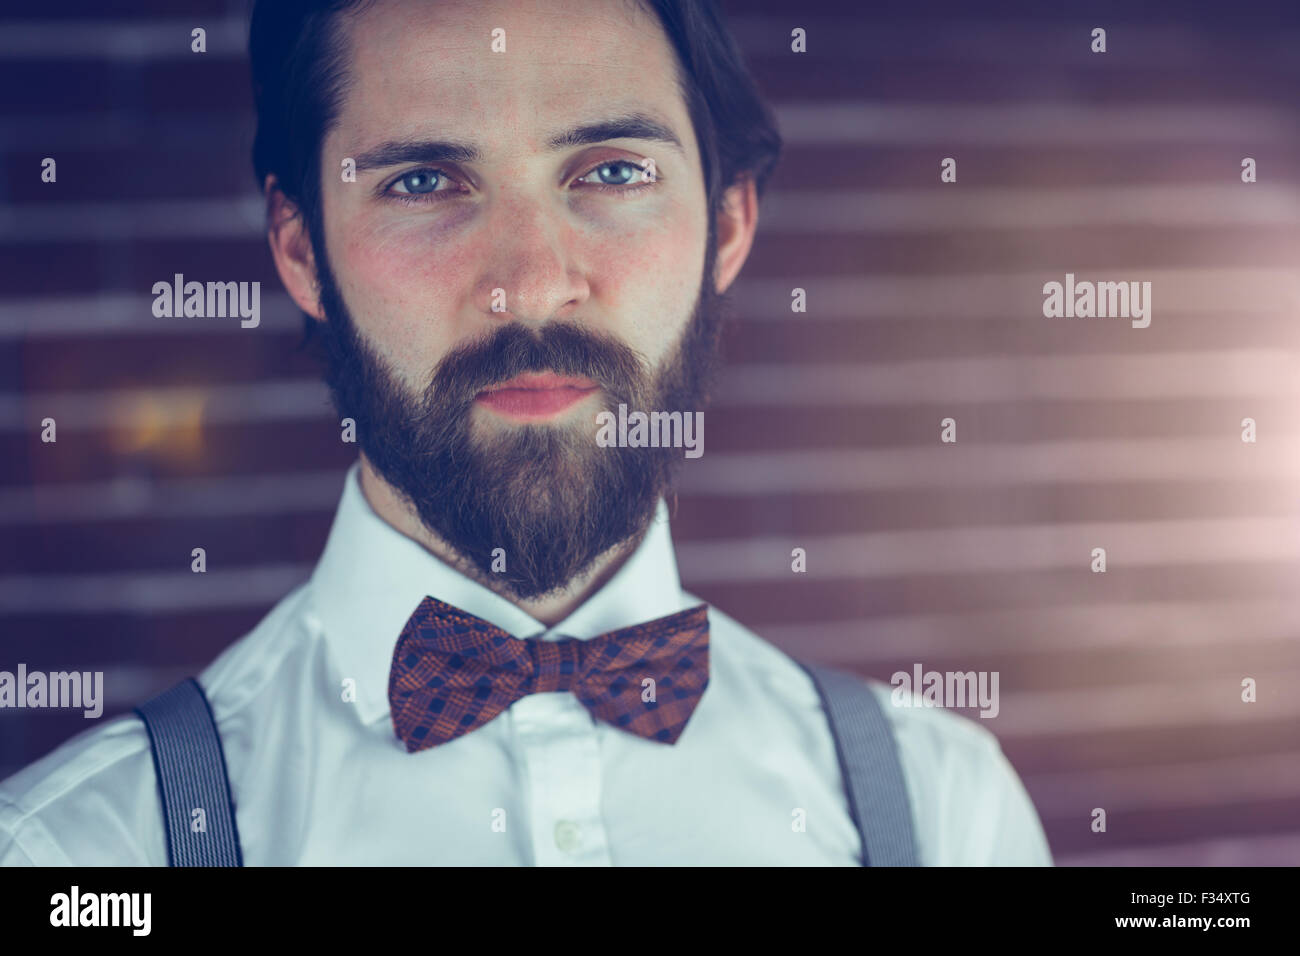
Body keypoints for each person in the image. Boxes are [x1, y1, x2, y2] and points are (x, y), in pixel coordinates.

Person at [0, 0, 1052, 866]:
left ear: (727, 225)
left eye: (610, 171)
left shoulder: (943, 807)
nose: (531, 284)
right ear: (300, 249)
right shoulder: (78, 853)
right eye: (422, 182)